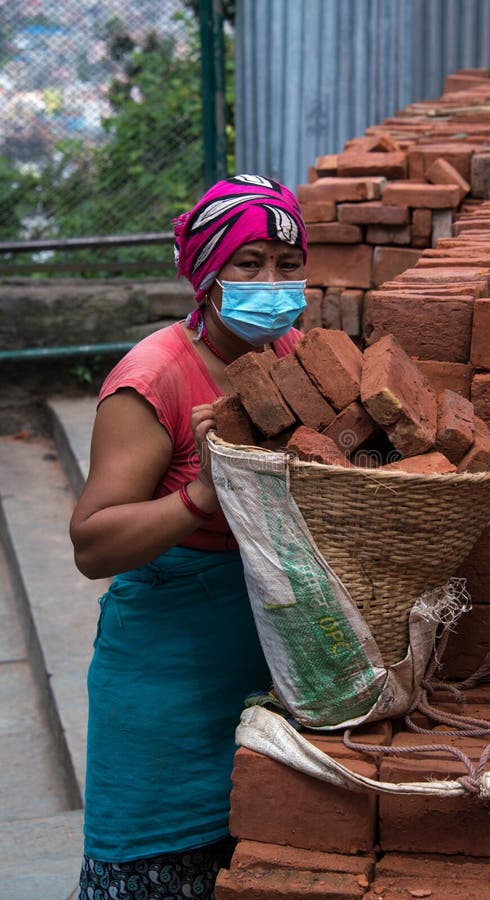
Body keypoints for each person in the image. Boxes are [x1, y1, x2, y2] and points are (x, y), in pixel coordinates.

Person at [70, 174, 308, 900]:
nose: (272, 283)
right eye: (249, 264)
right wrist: (201, 493)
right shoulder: (153, 378)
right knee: (155, 862)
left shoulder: (293, 355)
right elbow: (93, 543)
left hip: (266, 656)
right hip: (166, 676)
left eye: (287, 265)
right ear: (207, 276)